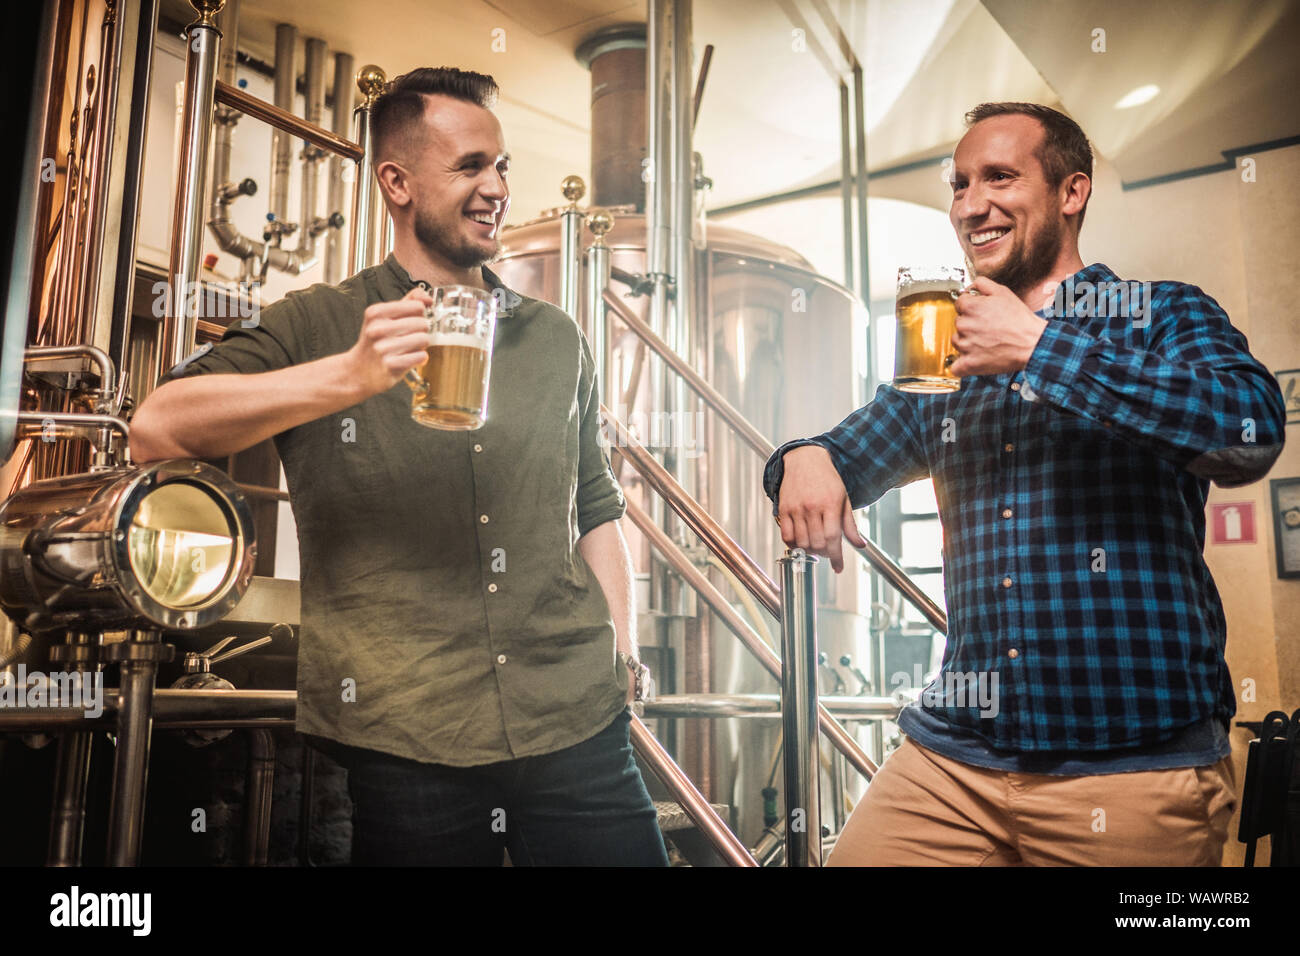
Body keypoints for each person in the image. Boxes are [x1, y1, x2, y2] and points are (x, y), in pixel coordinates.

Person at [130, 67, 668, 866]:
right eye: (471, 166)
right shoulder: (320, 322)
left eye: (503, 166)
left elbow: (596, 506)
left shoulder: (556, 338)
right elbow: (155, 428)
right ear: (397, 181)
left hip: (576, 721)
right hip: (409, 733)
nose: (497, 187)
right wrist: (346, 376)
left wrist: (622, 645)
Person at [765, 102, 1285, 866]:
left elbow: (1248, 431)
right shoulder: (944, 353)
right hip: (952, 764)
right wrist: (803, 455)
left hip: (1133, 768)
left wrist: (1040, 349)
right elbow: (844, 453)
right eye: (960, 184)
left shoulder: (1159, 314)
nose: (971, 204)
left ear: (1072, 192)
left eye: (999, 177)